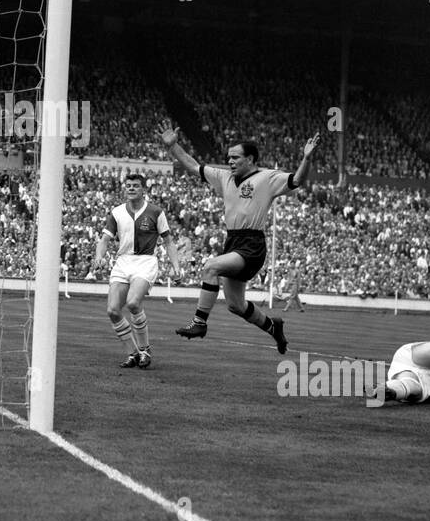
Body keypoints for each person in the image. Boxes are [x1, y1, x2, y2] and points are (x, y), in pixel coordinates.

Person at [161, 125, 320, 353]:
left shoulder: (267, 177)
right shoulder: (224, 177)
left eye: (235, 157)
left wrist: (306, 158)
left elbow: (298, 180)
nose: (230, 161)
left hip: (252, 244)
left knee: (211, 266)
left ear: (251, 159)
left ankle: (199, 323)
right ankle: (273, 327)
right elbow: (192, 165)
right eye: (229, 158)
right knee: (235, 305)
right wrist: (173, 146)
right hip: (233, 241)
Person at [93, 173, 182, 369]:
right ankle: (133, 353)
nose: (131, 188)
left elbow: (168, 241)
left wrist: (176, 267)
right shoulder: (116, 212)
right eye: (128, 185)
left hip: (145, 262)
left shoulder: (155, 212)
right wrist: (99, 257)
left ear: (143, 189)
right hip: (123, 262)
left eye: (135, 185)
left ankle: (144, 350)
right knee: (113, 310)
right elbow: (105, 240)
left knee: (133, 303)